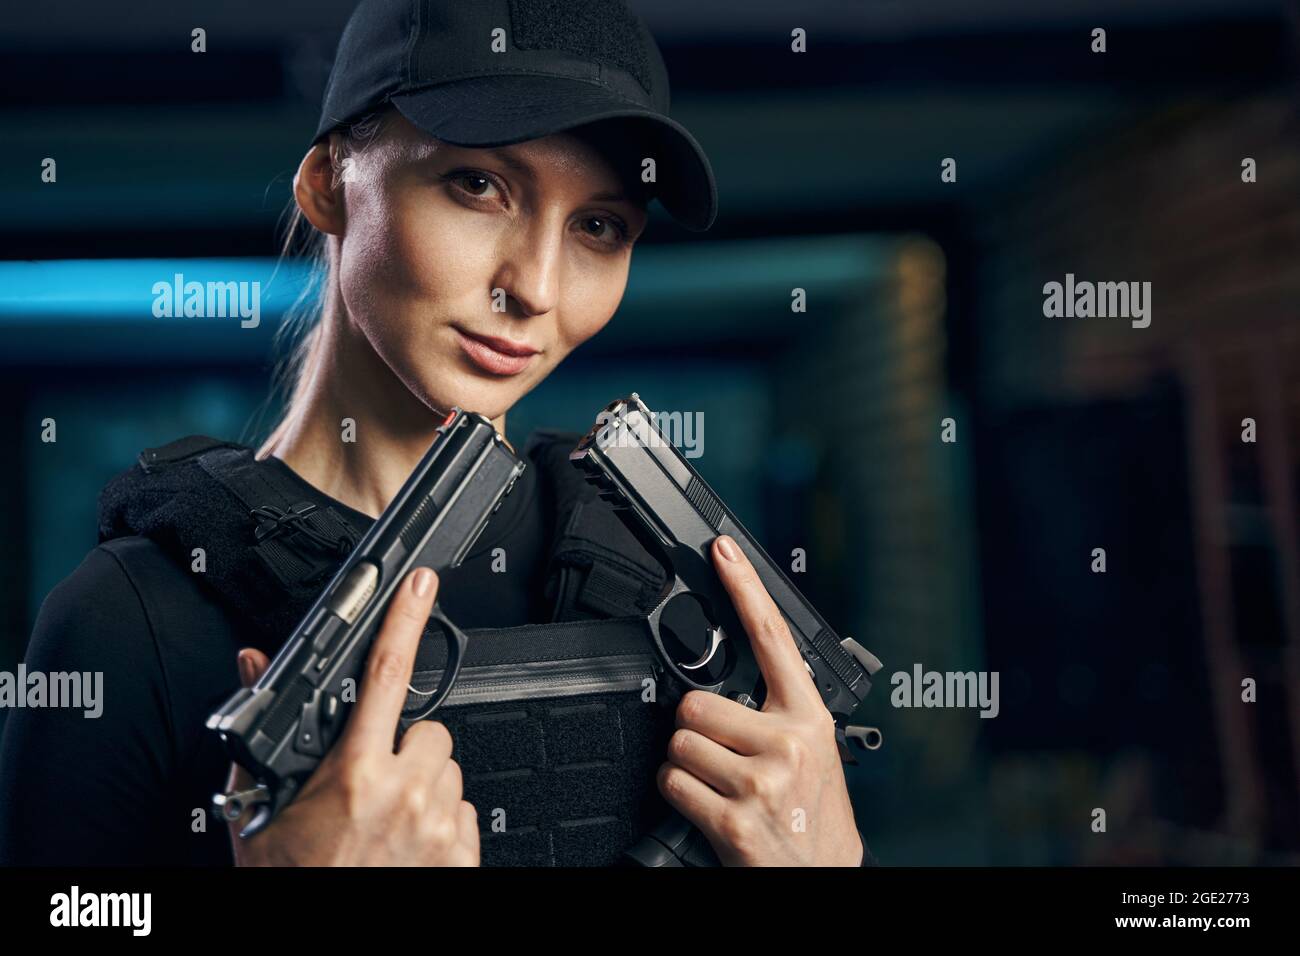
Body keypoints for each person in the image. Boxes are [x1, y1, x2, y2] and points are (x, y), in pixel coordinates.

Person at [0, 0, 870, 867]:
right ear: (327, 184)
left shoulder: (668, 581)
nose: (533, 287)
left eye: (598, 227)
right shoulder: (127, 619)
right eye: (479, 186)